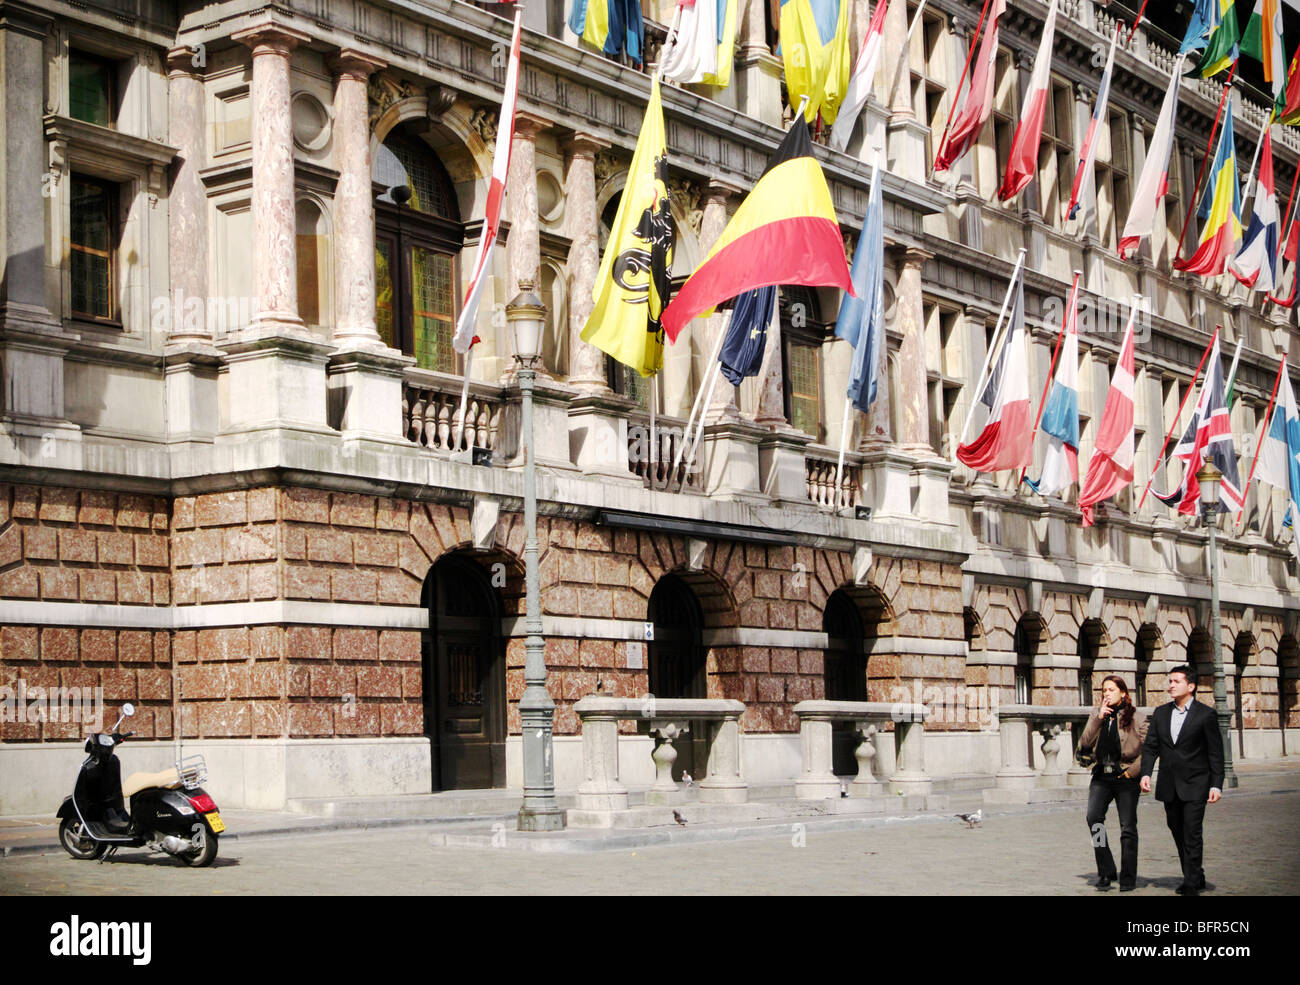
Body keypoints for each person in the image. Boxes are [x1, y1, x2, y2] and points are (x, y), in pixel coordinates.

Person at [1139, 664, 1225, 896]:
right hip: (1169, 784)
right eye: (1170, 681)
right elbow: (1151, 747)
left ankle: (1190, 882)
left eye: (1176, 681)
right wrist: (1146, 772)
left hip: (1197, 783)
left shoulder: (1206, 715)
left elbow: (1216, 753)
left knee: (1192, 831)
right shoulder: (1161, 713)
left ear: (1191, 686)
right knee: (1176, 829)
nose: (1171, 685)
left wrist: (1216, 783)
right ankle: (1196, 873)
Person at [1078, 675, 1147, 891]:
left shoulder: (1138, 717)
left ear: (1123, 693)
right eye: (1103, 690)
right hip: (1101, 776)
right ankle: (1106, 869)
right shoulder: (1097, 715)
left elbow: (1149, 750)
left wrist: (1132, 773)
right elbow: (1084, 743)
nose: (1106, 694)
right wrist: (1098, 718)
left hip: (1125, 777)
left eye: (1111, 689)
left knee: (1128, 827)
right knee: (1094, 819)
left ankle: (1128, 877)